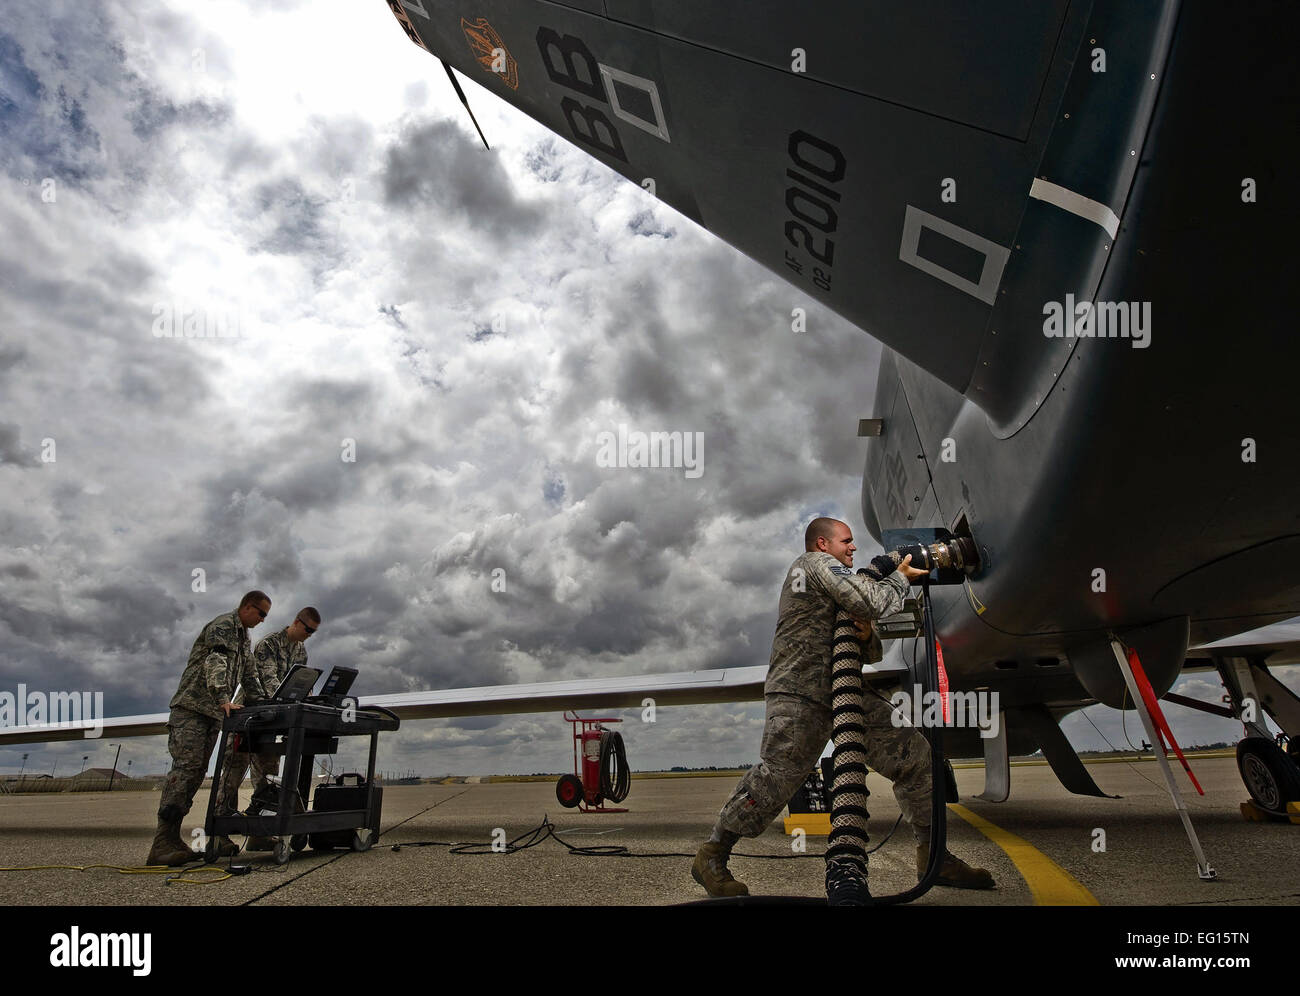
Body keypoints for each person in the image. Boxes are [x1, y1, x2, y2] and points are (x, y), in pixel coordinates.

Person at [691, 517, 995, 900]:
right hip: (801, 692)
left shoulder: (841, 582)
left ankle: (933, 855)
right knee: (778, 778)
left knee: (917, 757)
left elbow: (871, 651)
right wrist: (900, 576)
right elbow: (869, 599)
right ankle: (712, 854)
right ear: (822, 543)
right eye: (847, 541)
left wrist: (867, 635)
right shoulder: (813, 565)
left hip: (845, 691)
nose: (853, 548)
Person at [146, 590, 270, 866]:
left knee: (197, 772)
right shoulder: (223, 625)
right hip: (192, 710)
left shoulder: (244, 639)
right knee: (186, 769)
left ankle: (172, 840)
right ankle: (162, 842)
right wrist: (223, 697)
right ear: (247, 607)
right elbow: (216, 661)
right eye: (261, 613)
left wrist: (266, 705)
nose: (263, 620)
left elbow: (249, 676)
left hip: (212, 715)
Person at [214, 607, 320, 850]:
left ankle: (260, 834)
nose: (310, 635)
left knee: (267, 778)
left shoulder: (301, 651)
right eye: (308, 629)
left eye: (314, 632)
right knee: (232, 775)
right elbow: (270, 684)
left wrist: (309, 699)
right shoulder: (268, 645)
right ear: (296, 622)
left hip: (274, 721)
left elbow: (300, 682)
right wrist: (294, 704)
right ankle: (220, 836)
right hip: (247, 718)